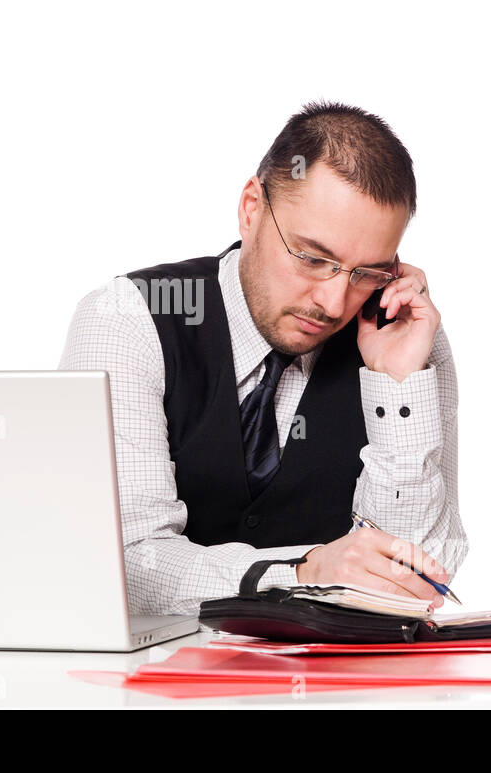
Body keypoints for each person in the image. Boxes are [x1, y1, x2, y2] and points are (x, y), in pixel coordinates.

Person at [58, 101, 467, 616]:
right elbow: (127, 565)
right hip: (153, 688)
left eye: (368, 273)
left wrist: (397, 386)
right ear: (252, 208)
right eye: (314, 258)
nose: (334, 303)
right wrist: (298, 575)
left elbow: (416, 578)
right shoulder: (128, 319)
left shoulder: (406, 336)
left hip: (339, 691)